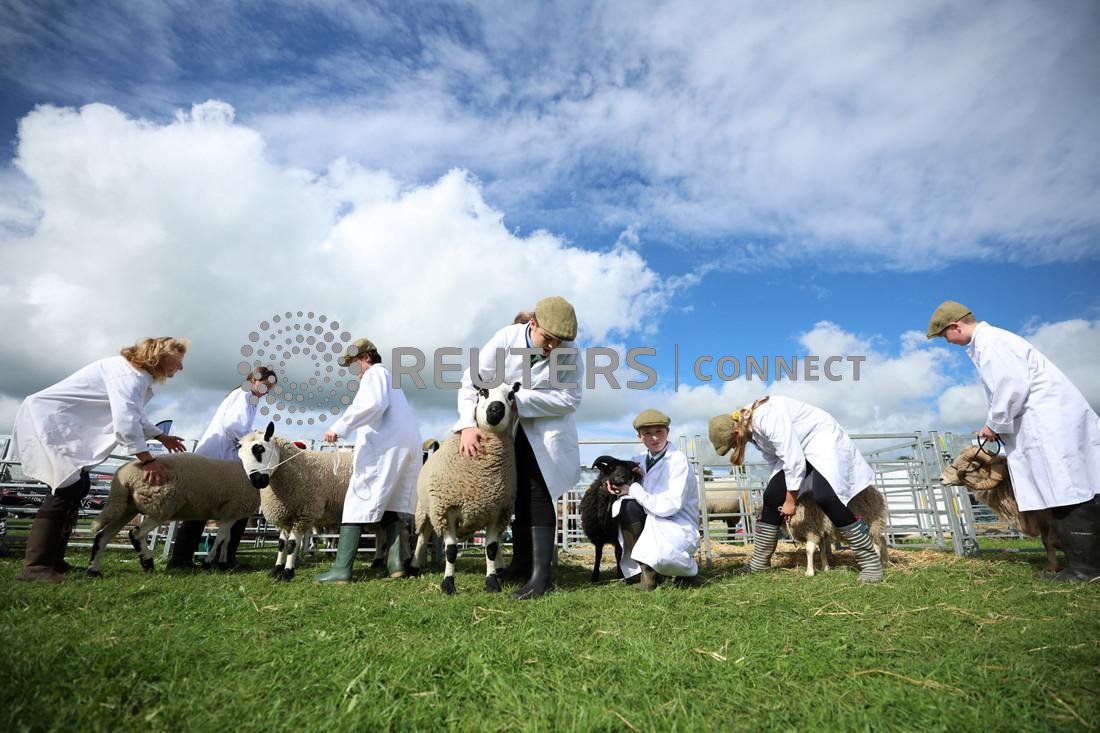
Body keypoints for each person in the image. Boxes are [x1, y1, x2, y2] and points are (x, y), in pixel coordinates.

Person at [927, 300, 1100, 582]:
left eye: (945, 335)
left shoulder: (992, 344)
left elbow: (1011, 387)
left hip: (1048, 425)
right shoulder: (994, 341)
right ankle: (1085, 566)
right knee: (1073, 489)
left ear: (955, 326)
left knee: (1067, 492)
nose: (947, 342)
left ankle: (1085, 571)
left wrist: (993, 424)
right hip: (1050, 423)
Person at [12, 337, 189, 582]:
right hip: (51, 422)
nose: (180, 367)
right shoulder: (128, 375)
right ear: (159, 356)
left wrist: (159, 435)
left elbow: (134, 414)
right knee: (66, 487)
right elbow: (125, 422)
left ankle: (53, 561)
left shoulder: (135, 375)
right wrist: (148, 461)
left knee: (77, 486)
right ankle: (36, 567)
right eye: (178, 361)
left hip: (65, 424)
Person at [457, 296, 583, 600]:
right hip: (511, 429)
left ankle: (541, 578)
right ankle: (522, 564)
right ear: (533, 323)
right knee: (521, 497)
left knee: (538, 494)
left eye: (559, 341)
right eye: (547, 338)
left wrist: (520, 399)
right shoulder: (505, 338)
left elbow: (570, 399)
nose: (553, 347)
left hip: (547, 429)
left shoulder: (570, 353)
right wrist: (467, 425)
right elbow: (471, 382)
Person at [707, 395, 884, 583]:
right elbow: (777, 459)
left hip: (822, 441)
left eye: (733, 444)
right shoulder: (751, 430)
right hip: (800, 449)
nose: (735, 447)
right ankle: (760, 562)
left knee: (826, 496)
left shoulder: (765, 418)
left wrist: (790, 501)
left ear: (736, 431)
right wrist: (781, 494)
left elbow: (793, 459)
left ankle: (870, 562)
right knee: (771, 497)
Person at [317, 337, 422, 583]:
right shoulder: (390, 379)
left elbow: (372, 404)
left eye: (354, 363)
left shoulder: (374, 374)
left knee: (357, 499)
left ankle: (342, 570)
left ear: (365, 358)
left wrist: (339, 427)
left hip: (384, 447)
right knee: (391, 503)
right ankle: (395, 565)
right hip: (405, 445)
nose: (353, 371)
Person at [168, 366, 277, 570]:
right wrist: (251, 442)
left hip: (220, 461)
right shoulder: (242, 396)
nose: (267, 389)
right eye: (266, 384)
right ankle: (188, 560)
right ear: (254, 380)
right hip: (215, 461)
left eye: (270, 387)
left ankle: (218, 558)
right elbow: (233, 426)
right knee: (205, 511)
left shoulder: (248, 399)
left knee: (228, 509)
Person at [606, 409, 700, 590]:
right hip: (651, 516)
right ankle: (646, 574)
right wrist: (613, 484)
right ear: (639, 436)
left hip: (676, 521)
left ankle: (686, 573)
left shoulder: (678, 460)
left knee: (662, 556)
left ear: (667, 432)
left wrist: (632, 488)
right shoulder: (638, 460)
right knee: (626, 506)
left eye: (659, 432)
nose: (654, 438)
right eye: (647, 433)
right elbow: (620, 479)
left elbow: (671, 505)